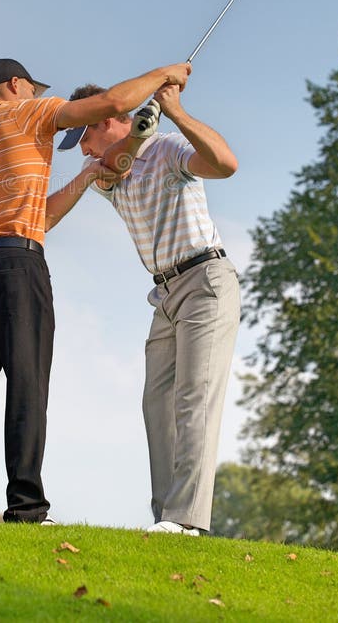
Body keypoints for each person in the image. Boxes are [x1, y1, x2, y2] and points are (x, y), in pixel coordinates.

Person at [0, 57, 191, 525]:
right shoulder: (29, 113)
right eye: (32, 88)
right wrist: (163, 75)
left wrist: (88, 175)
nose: (37, 96)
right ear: (15, 85)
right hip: (15, 265)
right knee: (26, 385)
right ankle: (26, 508)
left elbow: (41, 217)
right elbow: (111, 103)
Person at [48, 79, 240, 535]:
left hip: (205, 281)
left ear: (107, 120)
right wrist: (135, 134)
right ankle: (166, 520)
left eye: (84, 136)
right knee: (157, 404)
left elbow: (226, 164)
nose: (81, 150)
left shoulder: (170, 147)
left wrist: (175, 113)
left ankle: (187, 521)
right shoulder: (107, 173)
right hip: (165, 296)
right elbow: (115, 168)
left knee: (195, 396)